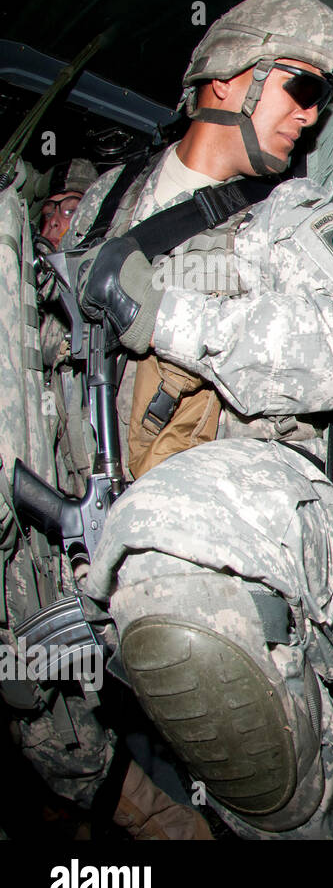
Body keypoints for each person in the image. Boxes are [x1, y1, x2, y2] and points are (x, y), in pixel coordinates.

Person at [62, 0, 333, 839]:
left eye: (322, 100)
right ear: (230, 79)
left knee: (189, 607)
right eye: (303, 90)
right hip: (83, 497)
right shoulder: (102, 208)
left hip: (251, 497)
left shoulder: (297, 217)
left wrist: (168, 310)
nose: (311, 121)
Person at [1, 155, 213, 838]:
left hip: (123, 521)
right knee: (46, 694)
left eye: (69, 204)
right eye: (50, 208)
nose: (56, 218)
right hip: (45, 534)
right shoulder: (30, 309)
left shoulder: (121, 296)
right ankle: (138, 812)